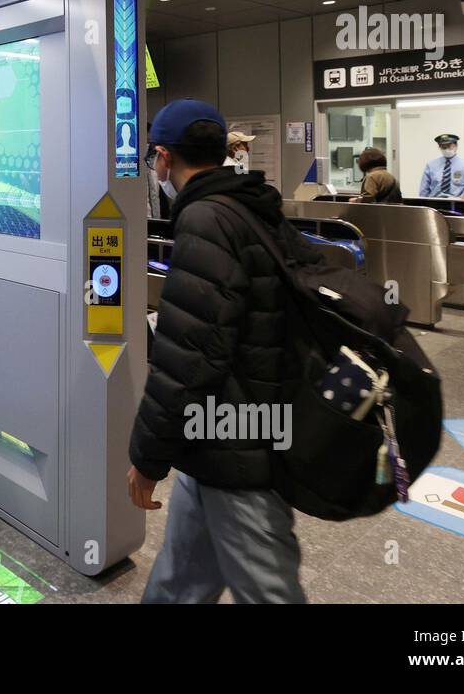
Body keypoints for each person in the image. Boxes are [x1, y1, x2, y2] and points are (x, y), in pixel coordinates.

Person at [127, 98, 320, 604]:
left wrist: (147, 458)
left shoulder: (206, 220)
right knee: (181, 579)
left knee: (267, 590)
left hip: (238, 439)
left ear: (165, 158)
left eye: (154, 160)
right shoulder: (254, 207)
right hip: (226, 430)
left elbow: (187, 358)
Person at [418, 133, 464, 197]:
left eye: (449, 146)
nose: (446, 149)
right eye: (443, 147)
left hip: (458, 203)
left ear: (456, 146)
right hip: (434, 203)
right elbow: (424, 190)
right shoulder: (431, 165)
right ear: (439, 147)